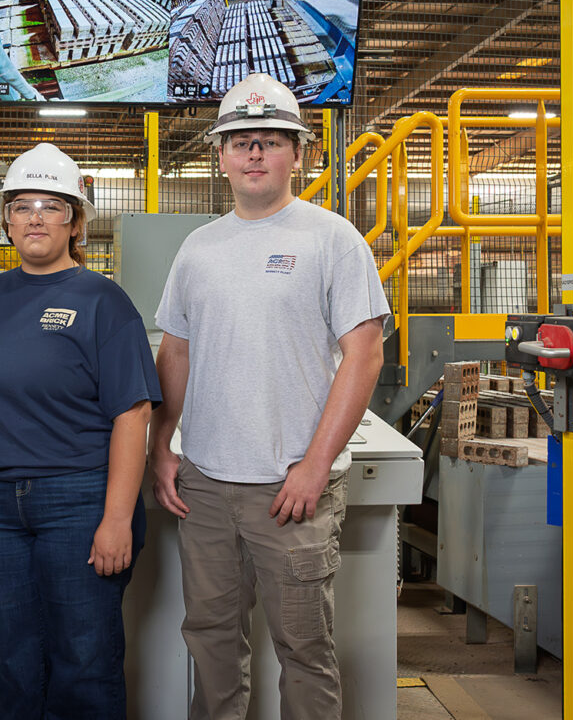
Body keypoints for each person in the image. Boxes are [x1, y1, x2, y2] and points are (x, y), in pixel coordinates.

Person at [149, 73, 389, 720]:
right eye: (242, 141)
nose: (255, 152)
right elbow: (177, 352)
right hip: (204, 484)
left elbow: (364, 353)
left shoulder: (331, 238)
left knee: (305, 649)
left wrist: (313, 465)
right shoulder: (198, 249)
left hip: (291, 487)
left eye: (272, 140)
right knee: (211, 640)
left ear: (299, 154)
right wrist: (161, 445)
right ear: (222, 156)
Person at [0, 142, 161, 718]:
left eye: (52, 205)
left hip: (78, 500)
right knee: (13, 658)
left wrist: (115, 518)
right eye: (22, 205)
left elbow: (132, 415)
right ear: (5, 220)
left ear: (75, 221)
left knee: (84, 659)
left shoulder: (104, 303)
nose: (35, 216)